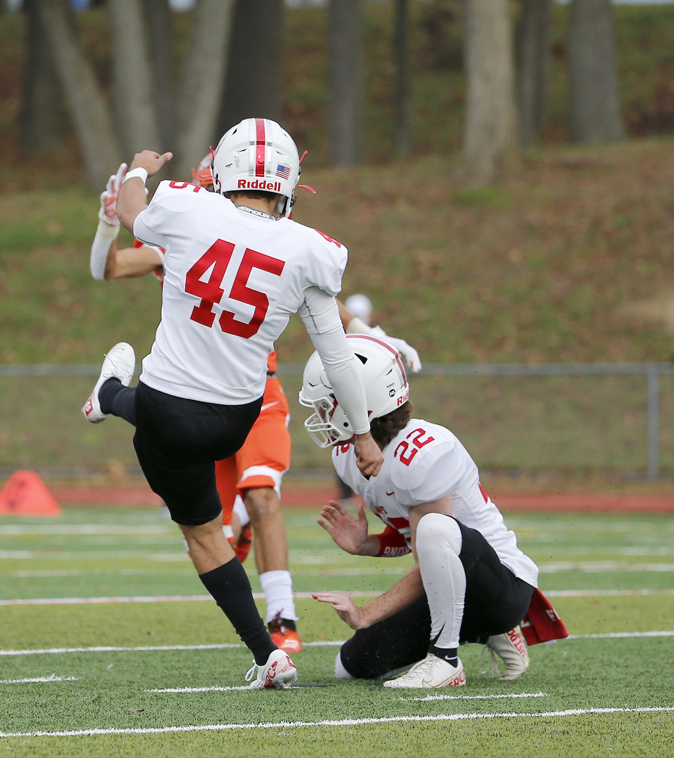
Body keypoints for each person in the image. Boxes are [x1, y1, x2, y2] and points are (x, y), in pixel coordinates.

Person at [82, 118, 383, 690]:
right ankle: (271, 654)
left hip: (168, 408)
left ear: (223, 171)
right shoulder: (306, 249)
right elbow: (338, 357)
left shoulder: (188, 208)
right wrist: (363, 434)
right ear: (288, 183)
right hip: (235, 418)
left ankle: (112, 396)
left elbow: (129, 211)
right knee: (209, 492)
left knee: (203, 535)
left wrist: (141, 167)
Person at [304, 335, 566, 687]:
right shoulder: (347, 455)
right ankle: (483, 634)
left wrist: (366, 614)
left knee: (435, 527)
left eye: (327, 404)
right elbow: (414, 542)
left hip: (498, 587)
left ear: (362, 405)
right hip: (444, 586)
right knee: (351, 666)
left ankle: (447, 659)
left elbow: (433, 541)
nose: (320, 414)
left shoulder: (425, 451)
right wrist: (369, 545)